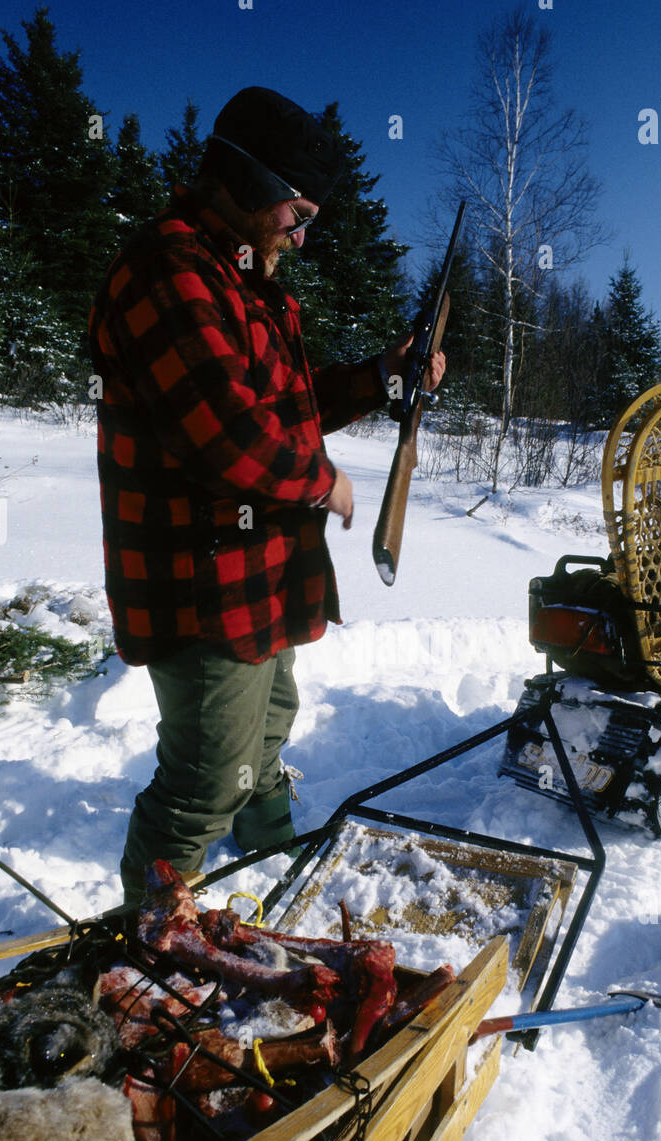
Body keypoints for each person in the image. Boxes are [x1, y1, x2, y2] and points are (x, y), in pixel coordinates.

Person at [89, 87, 444, 903]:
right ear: (245, 180)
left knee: (270, 722)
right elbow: (227, 434)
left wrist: (384, 375)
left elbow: (288, 403)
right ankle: (150, 941)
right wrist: (324, 482)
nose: (302, 232)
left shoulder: (240, 276)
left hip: (260, 576)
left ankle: (274, 865)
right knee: (203, 781)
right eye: (298, 210)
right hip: (198, 586)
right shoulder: (167, 272)